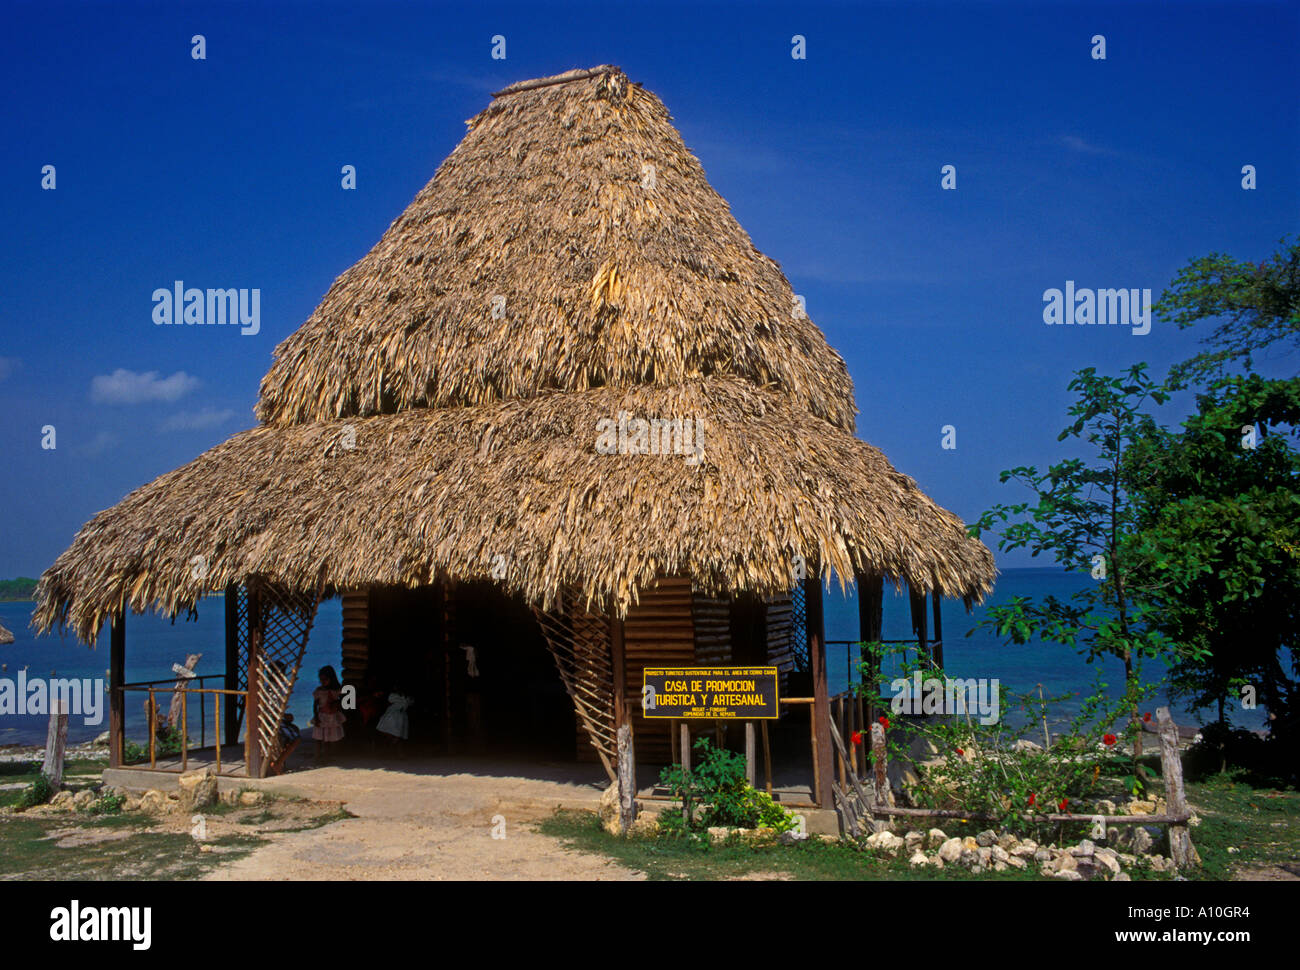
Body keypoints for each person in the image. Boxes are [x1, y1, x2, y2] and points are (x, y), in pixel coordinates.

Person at [311, 666, 345, 762]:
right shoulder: (319, 691)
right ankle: (317, 756)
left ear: (331, 678)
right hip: (322, 716)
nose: (322, 682)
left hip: (332, 716)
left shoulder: (337, 690)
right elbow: (315, 705)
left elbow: (341, 701)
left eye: (325, 679)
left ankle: (327, 756)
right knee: (319, 738)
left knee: (329, 738)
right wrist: (316, 717)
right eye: (321, 679)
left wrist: (336, 704)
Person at [375, 691, 413, 755]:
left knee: (398, 735)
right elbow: (390, 699)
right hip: (392, 715)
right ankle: (386, 749)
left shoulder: (408, 699)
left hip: (401, 717)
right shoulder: (395, 696)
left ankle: (395, 751)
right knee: (390, 731)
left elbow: (409, 703)